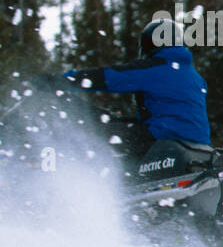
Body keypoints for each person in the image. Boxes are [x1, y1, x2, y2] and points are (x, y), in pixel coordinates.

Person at [61, 19, 211, 159]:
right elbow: (174, 113)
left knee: (91, 129)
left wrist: (63, 80)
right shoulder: (195, 77)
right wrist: (122, 120)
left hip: (161, 137)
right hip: (198, 145)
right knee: (118, 128)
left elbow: (110, 77)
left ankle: (76, 173)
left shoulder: (154, 68)